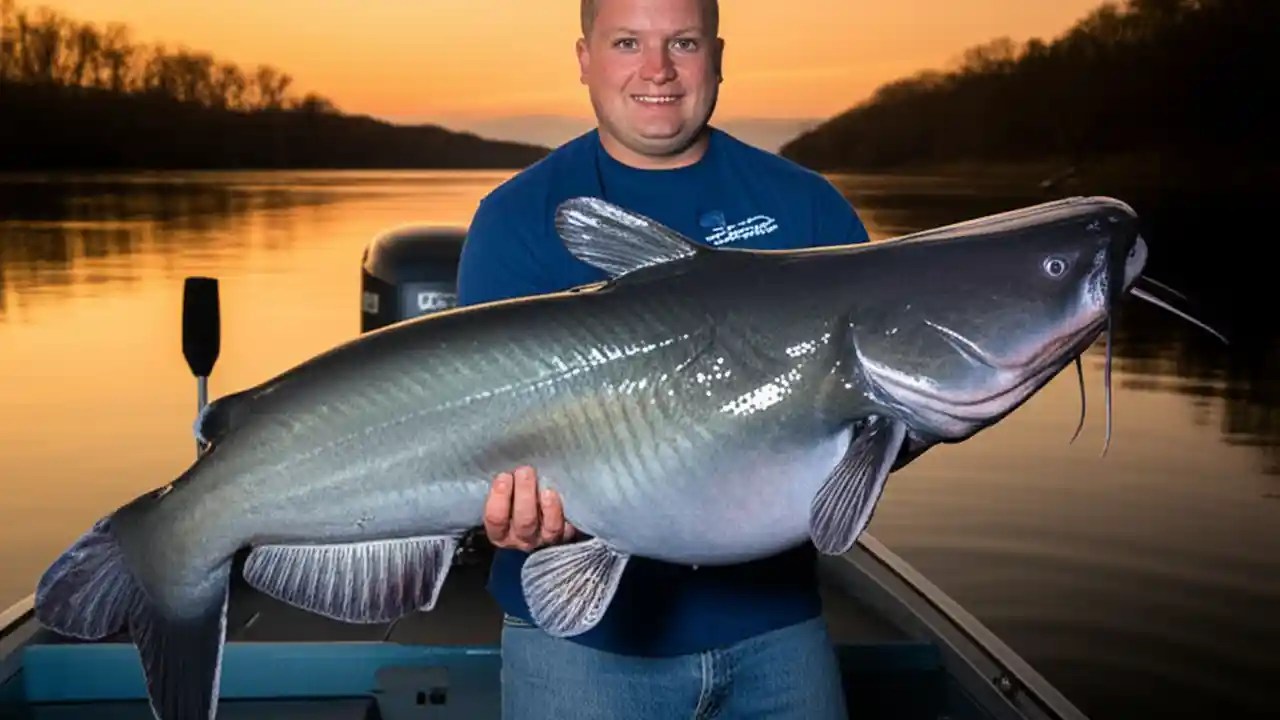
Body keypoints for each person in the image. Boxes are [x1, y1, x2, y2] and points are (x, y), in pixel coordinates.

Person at [455, 0, 871, 717]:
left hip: (777, 631)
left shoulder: (808, 211)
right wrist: (507, 510)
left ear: (717, 55)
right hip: (580, 647)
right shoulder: (514, 220)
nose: (657, 70)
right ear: (585, 58)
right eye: (627, 43)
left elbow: (873, 424)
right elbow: (482, 434)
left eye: (682, 42)